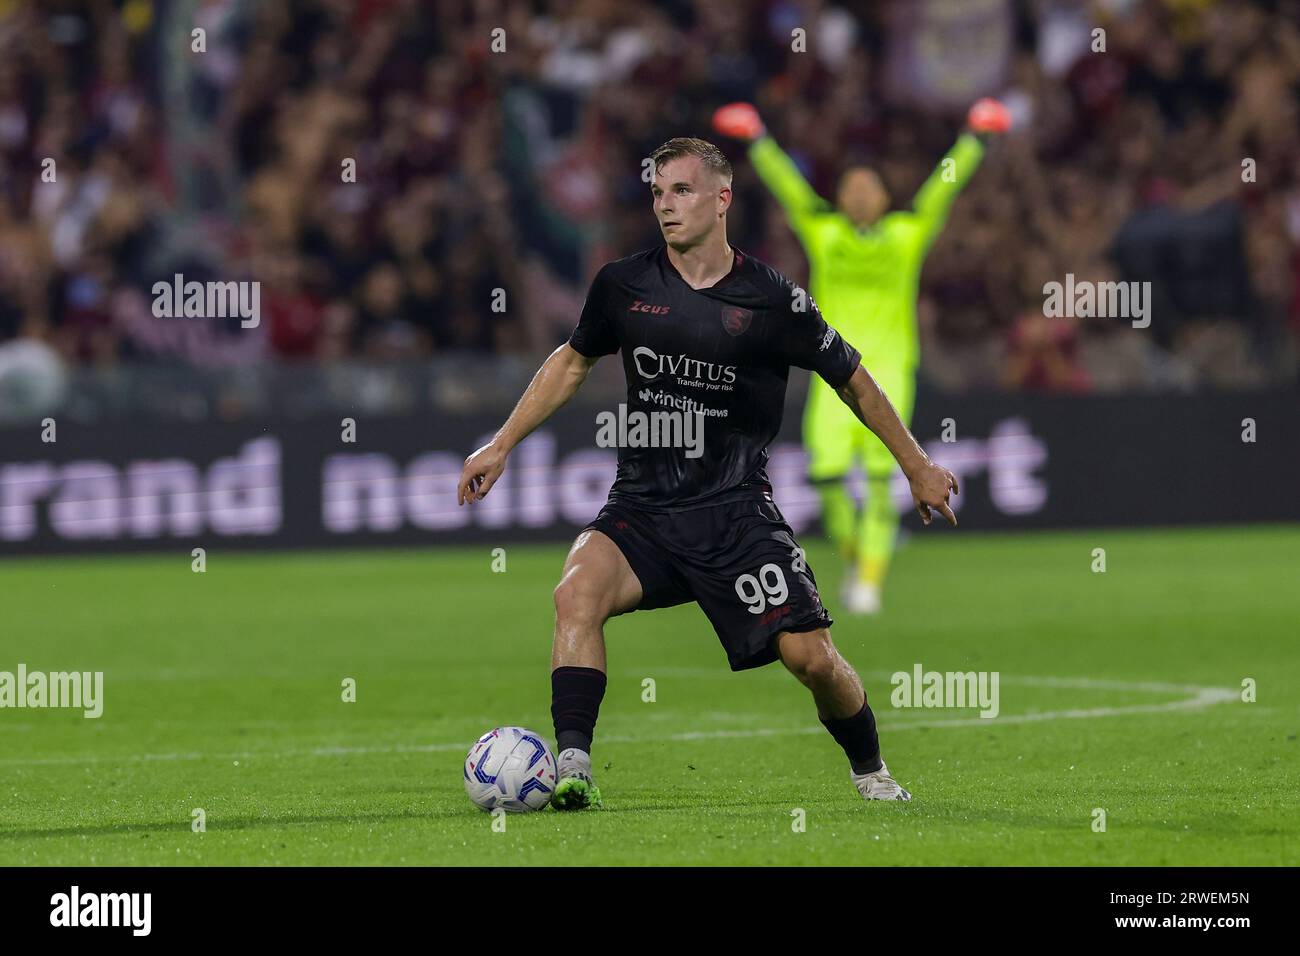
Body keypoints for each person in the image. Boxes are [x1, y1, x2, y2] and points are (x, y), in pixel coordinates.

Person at [457, 137, 958, 809]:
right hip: (643, 510)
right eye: (658, 193)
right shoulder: (623, 285)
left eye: (682, 191)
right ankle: (573, 766)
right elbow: (573, 362)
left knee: (811, 659)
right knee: (575, 594)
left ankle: (870, 768)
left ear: (721, 199)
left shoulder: (771, 298)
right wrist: (503, 442)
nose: (666, 206)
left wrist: (917, 464)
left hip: (735, 514)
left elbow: (855, 382)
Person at [713, 99, 1008, 613]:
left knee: (879, 481)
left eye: (869, 187)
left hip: (890, 375)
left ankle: (869, 580)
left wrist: (976, 137)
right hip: (833, 373)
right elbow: (788, 186)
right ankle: (856, 558)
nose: (860, 194)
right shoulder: (825, 234)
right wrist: (758, 137)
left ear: (885, 196)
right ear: (842, 197)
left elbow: (945, 185)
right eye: (851, 187)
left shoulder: (905, 235)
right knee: (826, 476)